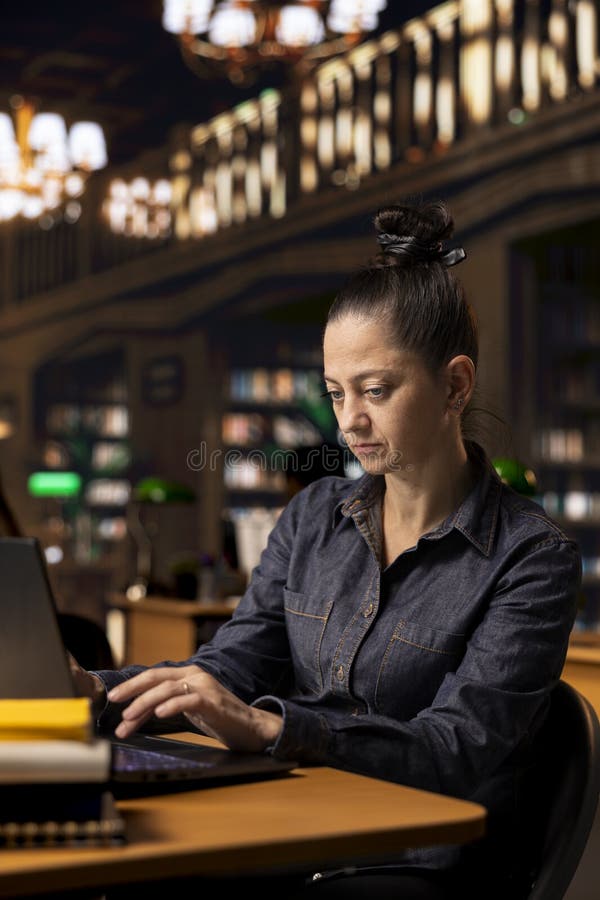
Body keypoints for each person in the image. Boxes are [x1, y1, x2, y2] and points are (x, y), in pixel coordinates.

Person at [71, 199, 581, 899]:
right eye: (336, 393)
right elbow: (228, 666)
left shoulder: (532, 558)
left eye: (376, 390)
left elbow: (454, 752)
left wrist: (268, 726)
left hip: (422, 863)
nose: (350, 421)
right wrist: (91, 693)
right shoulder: (314, 516)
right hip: (292, 821)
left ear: (455, 385)